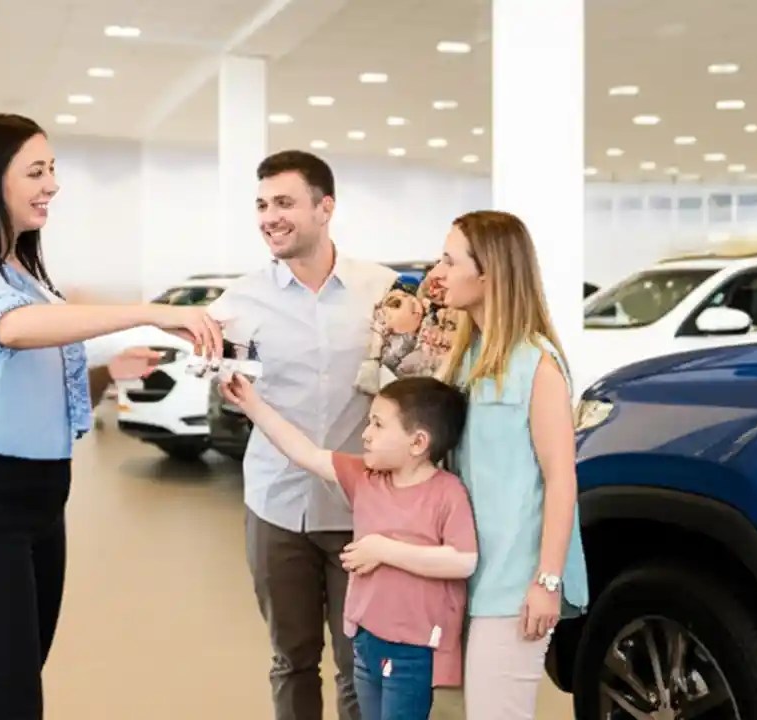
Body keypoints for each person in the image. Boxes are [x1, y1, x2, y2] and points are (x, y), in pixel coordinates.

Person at [0, 113, 223, 720]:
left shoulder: (26, 275)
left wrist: (118, 362)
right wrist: (148, 311)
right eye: (36, 171)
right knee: (9, 705)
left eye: (53, 169)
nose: (52, 183)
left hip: (42, 503)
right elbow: (8, 329)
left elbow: (52, 357)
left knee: (16, 695)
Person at [204, 150, 397, 720]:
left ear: (325, 206)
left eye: (284, 202)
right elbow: (222, 375)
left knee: (357, 660)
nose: (269, 217)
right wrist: (222, 384)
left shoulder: (381, 289)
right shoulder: (238, 300)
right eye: (262, 205)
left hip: (360, 511)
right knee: (291, 660)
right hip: (276, 506)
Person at [221, 373, 476, 720]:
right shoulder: (365, 477)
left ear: (417, 443)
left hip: (411, 652)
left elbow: (463, 560)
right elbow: (305, 453)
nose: (365, 434)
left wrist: (383, 551)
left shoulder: (447, 492)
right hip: (366, 642)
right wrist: (252, 404)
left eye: (377, 425)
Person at [427, 210, 590, 718]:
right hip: (465, 570)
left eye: (450, 260)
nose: (439, 271)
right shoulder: (464, 359)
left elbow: (561, 479)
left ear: (489, 273)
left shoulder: (537, 364)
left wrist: (546, 582)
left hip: (515, 579)